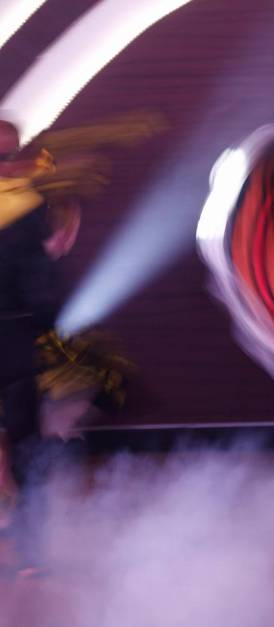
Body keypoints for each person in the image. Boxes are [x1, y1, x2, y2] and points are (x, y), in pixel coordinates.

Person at [0, 120, 61, 576]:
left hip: (14, 335)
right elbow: (37, 284)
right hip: (14, 339)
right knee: (24, 444)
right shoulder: (27, 205)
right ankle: (30, 548)